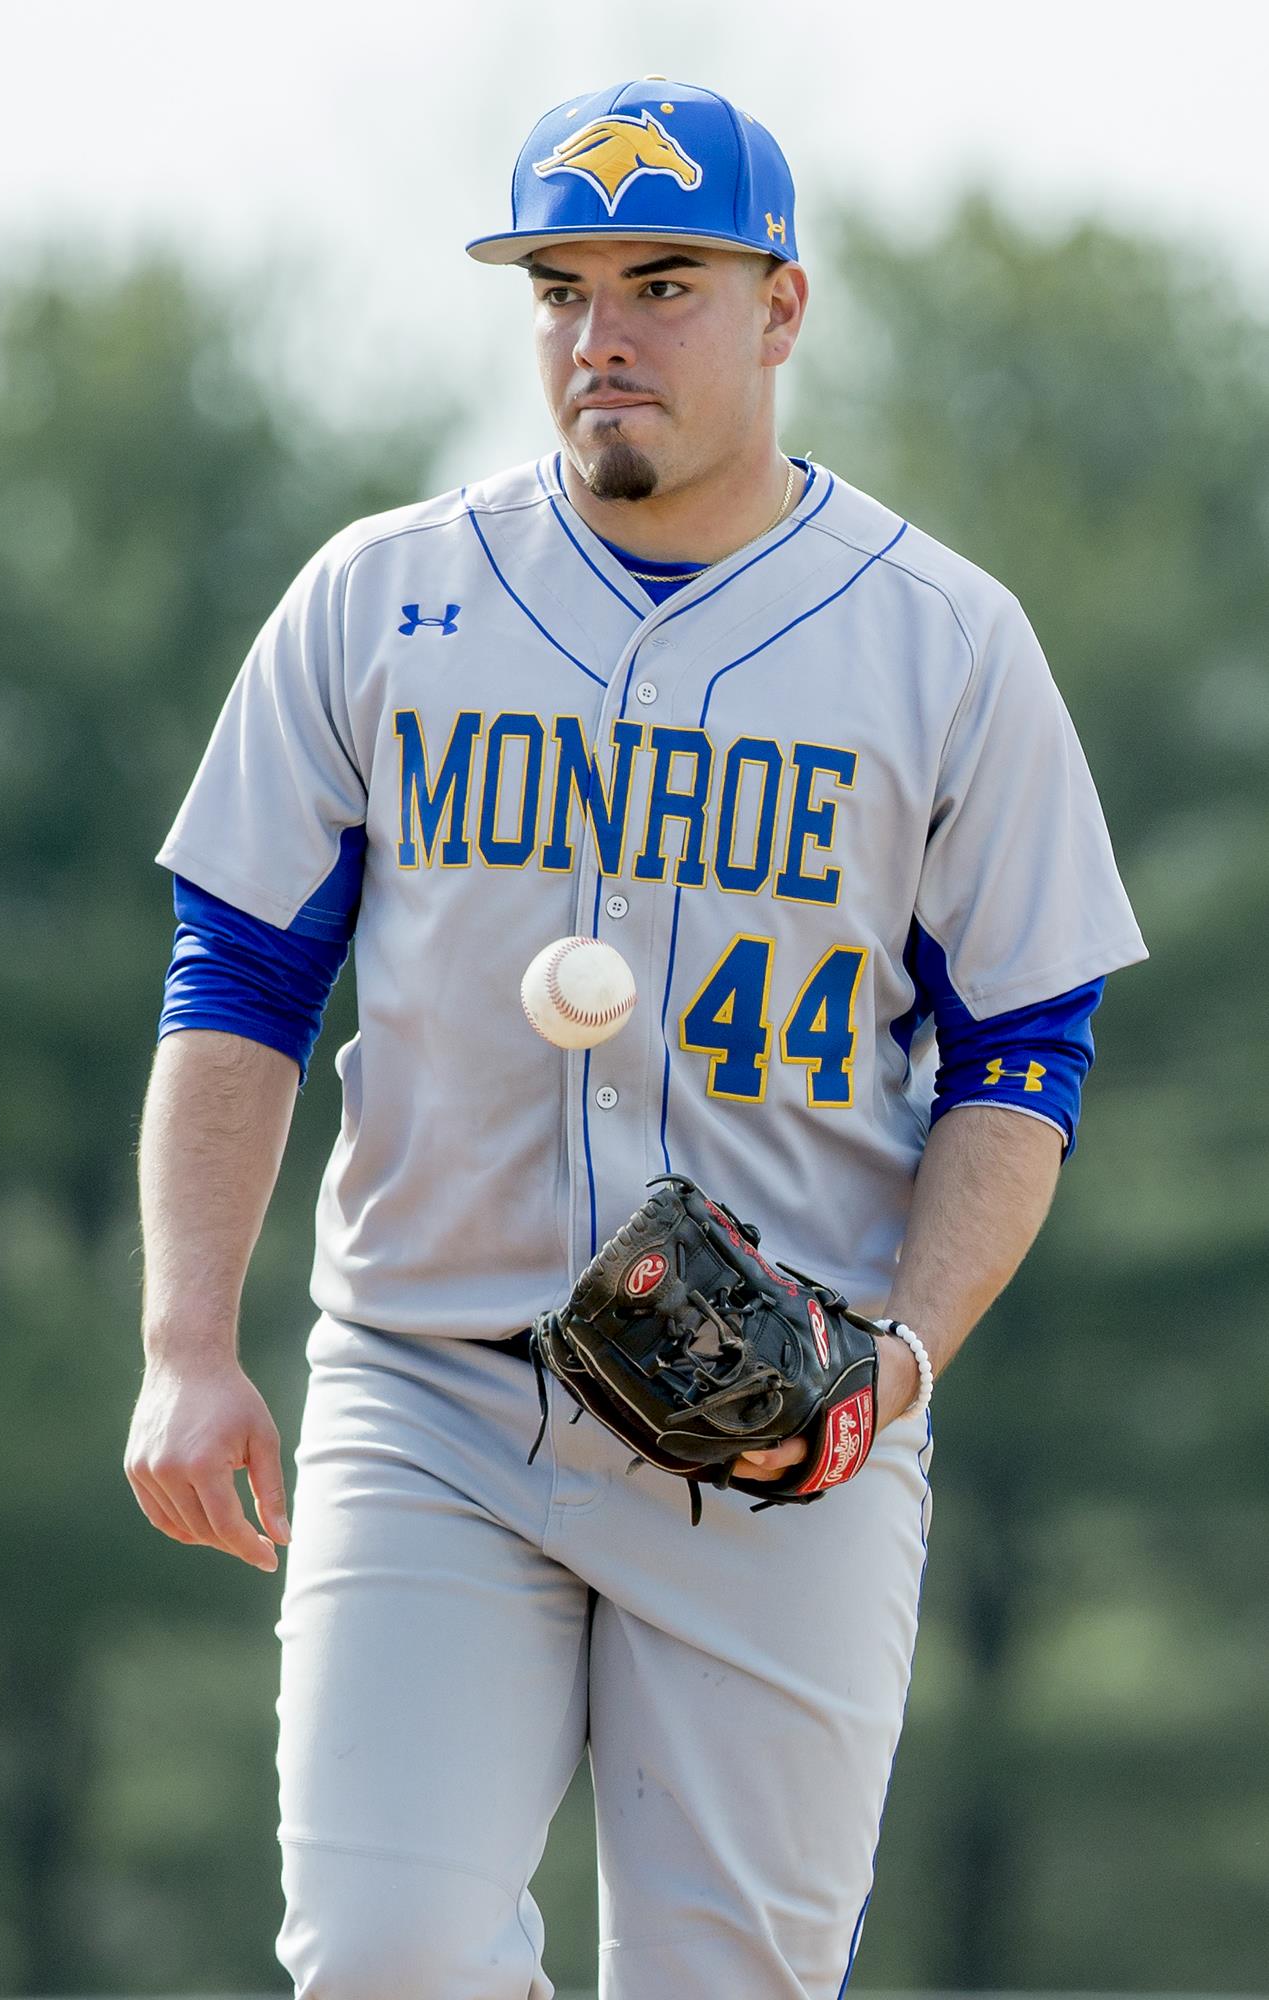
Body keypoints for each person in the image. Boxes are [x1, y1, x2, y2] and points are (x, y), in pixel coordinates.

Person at [124, 77, 1147, 2000]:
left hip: (789, 1430)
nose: (601, 335)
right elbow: (237, 978)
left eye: (662, 280)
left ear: (781, 306)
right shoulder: (383, 598)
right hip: (432, 1390)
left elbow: (1027, 1046)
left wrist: (900, 1366)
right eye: (559, 287)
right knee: (385, 1958)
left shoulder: (940, 643)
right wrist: (186, 1343)